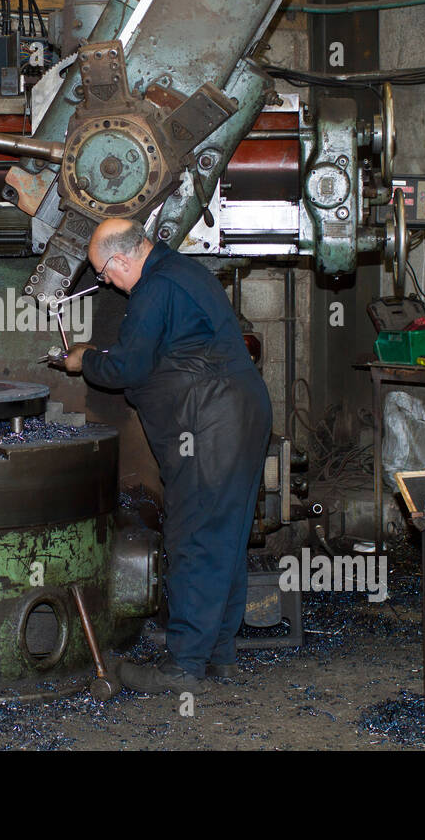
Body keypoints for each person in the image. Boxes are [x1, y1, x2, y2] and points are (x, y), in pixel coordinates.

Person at [56, 218, 272, 692]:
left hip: (211, 422)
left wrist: (84, 359)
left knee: (194, 535)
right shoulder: (181, 273)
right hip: (236, 415)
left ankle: (183, 667)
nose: (105, 282)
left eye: (103, 273)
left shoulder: (155, 288)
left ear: (120, 259)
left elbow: (128, 368)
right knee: (226, 536)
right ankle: (217, 653)